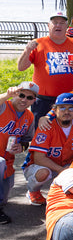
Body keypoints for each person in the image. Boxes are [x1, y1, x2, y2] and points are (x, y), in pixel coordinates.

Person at [22, 93, 73, 205]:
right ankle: (33, 191)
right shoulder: (46, 125)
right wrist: (61, 170)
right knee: (43, 173)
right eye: (62, 108)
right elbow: (39, 158)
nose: (67, 112)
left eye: (71, 108)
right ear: (55, 110)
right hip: (40, 166)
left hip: (67, 164)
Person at [18, 12, 73, 122]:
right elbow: (21, 67)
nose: (58, 25)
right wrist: (27, 51)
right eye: (55, 22)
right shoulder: (38, 43)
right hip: (43, 100)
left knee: (67, 129)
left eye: (62, 23)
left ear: (66, 26)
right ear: (49, 25)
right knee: (41, 129)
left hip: (69, 98)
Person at [0, 82, 37, 224]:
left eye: (29, 97)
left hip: (7, 161)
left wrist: (21, 147)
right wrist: (6, 95)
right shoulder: (4, 105)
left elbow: (27, 140)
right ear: (15, 95)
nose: (24, 100)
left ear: (34, 100)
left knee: (4, 199)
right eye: (21, 95)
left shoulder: (29, 116)